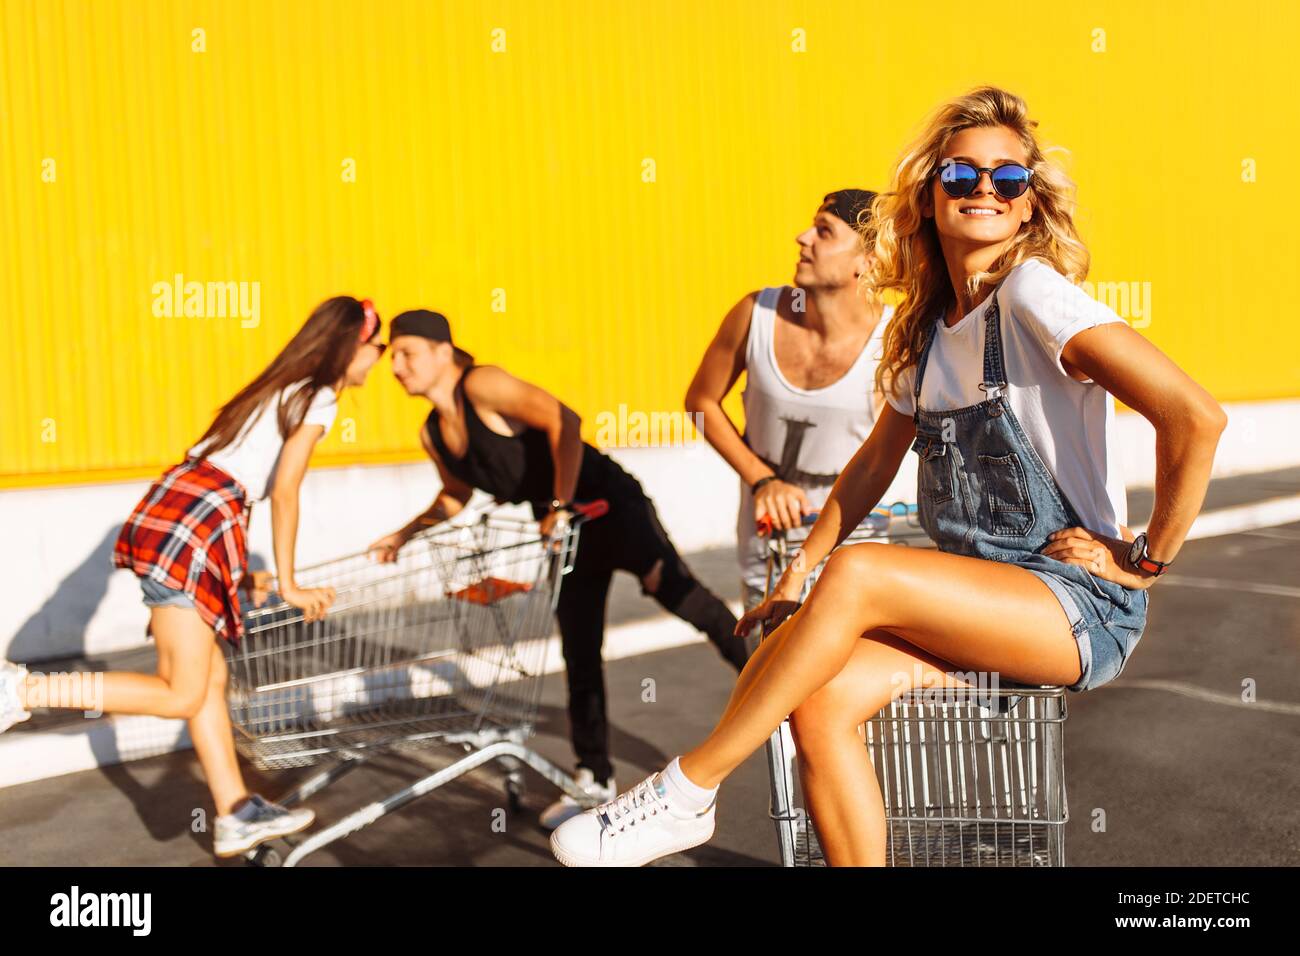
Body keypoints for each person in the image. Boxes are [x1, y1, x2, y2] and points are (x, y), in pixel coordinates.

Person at [549, 85, 1226, 867]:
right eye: (961, 173)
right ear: (928, 194)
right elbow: (872, 464)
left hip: (1076, 607)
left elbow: (1194, 416)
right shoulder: (930, 336)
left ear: (1030, 205)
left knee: (864, 570)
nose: (984, 189)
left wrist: (1144, 560)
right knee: (821, 701)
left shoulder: (1034, 295)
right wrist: (798, 574)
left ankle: (686, 793)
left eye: (1009, 179)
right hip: (989, 594)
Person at [0, 296, 387, 859]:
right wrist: (290, 581)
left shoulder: (274, 387)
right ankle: (23, 690)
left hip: (184, 515)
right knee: (181, 694)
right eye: (377, 347)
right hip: (198, 525)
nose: (378, 361)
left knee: (208, 679)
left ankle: (234, 810)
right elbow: (284, 491)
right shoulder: (318, 396)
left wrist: (241, 573)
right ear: (353, 342)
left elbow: (228, 478)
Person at [369, 309, 751, 830]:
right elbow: (456, 495)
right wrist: (404, 533)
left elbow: (564, 420)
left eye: (407, 352)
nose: (397, 365)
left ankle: (774, 692)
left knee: (686, 600)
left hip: (606, 506)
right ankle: (594, 775)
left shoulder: (482, 385)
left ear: (443, 351)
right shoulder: (434, 432)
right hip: (565, 531)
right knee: (579, 647)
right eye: (392, 355)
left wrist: (560, 500)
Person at [684, 188, 915, 634]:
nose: (802, 237)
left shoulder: (895, 342)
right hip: (766, 537)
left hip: (852, 539)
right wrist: (762, 480)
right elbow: (698, 405)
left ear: (865, 261)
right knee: (768, 671)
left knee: (828, 688)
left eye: (824, 232)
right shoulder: (756, 314)